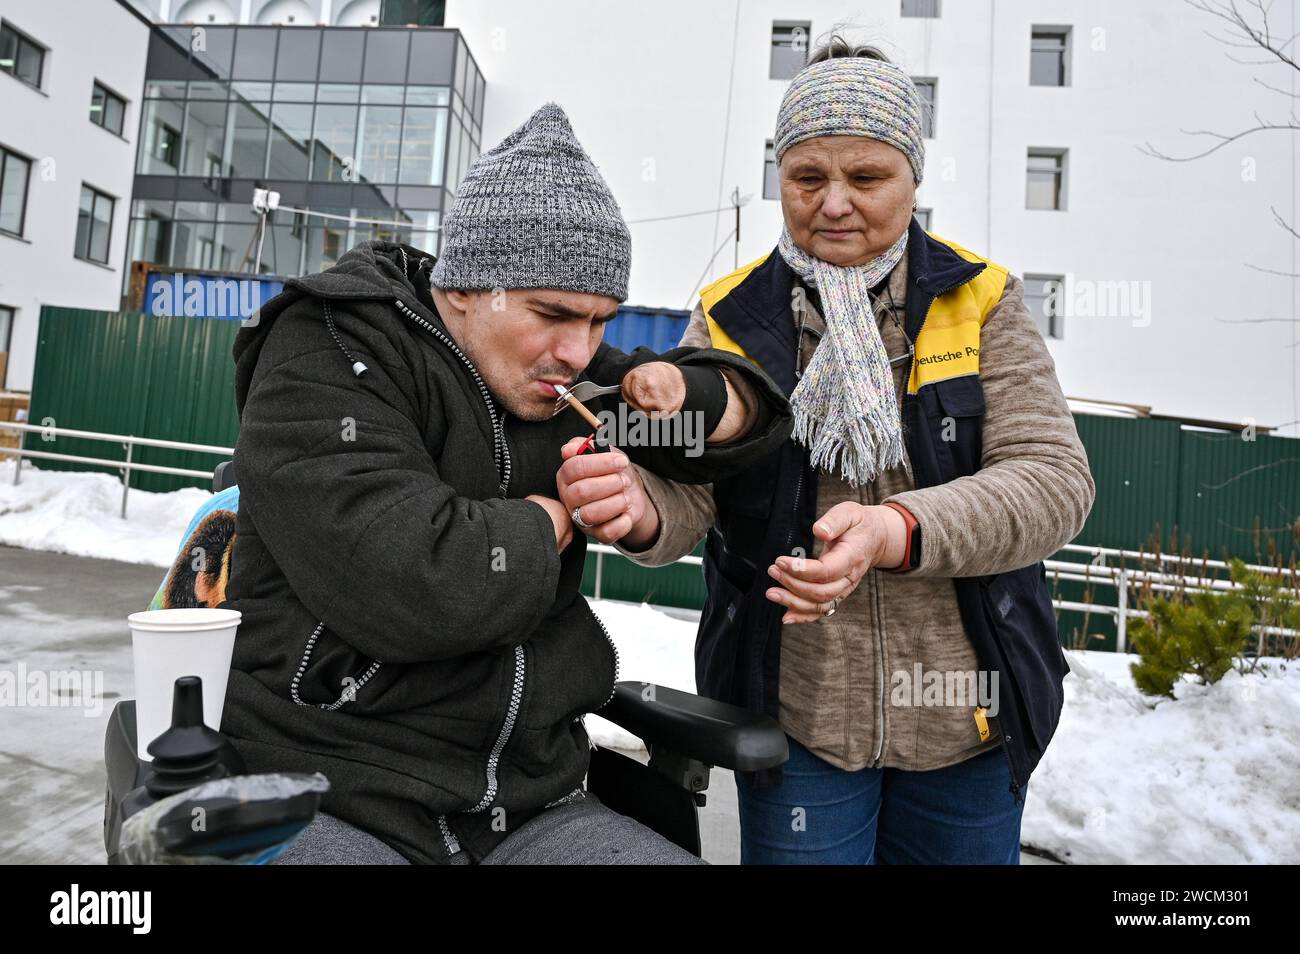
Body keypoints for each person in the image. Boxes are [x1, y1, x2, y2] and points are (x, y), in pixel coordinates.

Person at [219, 102, 792, 864]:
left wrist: (700, 398)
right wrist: (557, 516)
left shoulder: (556, 374)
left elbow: (742, 434)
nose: (579, 350)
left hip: (530, 803)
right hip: (327, 787)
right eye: (554, 314)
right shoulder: (326, 350)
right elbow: (414, 579)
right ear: (463, 289)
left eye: (600, 321)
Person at [592, 38, 1097, 864]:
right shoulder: (727, 318)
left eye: (866, 178)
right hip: (798, 721)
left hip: (968, 720)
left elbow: (1051, 482)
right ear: (779, 175)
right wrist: (641, 509)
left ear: (912, 178)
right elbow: (690, 492)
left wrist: (895, 530)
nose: (834, 204)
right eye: (807, 178)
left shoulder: (981, 302)